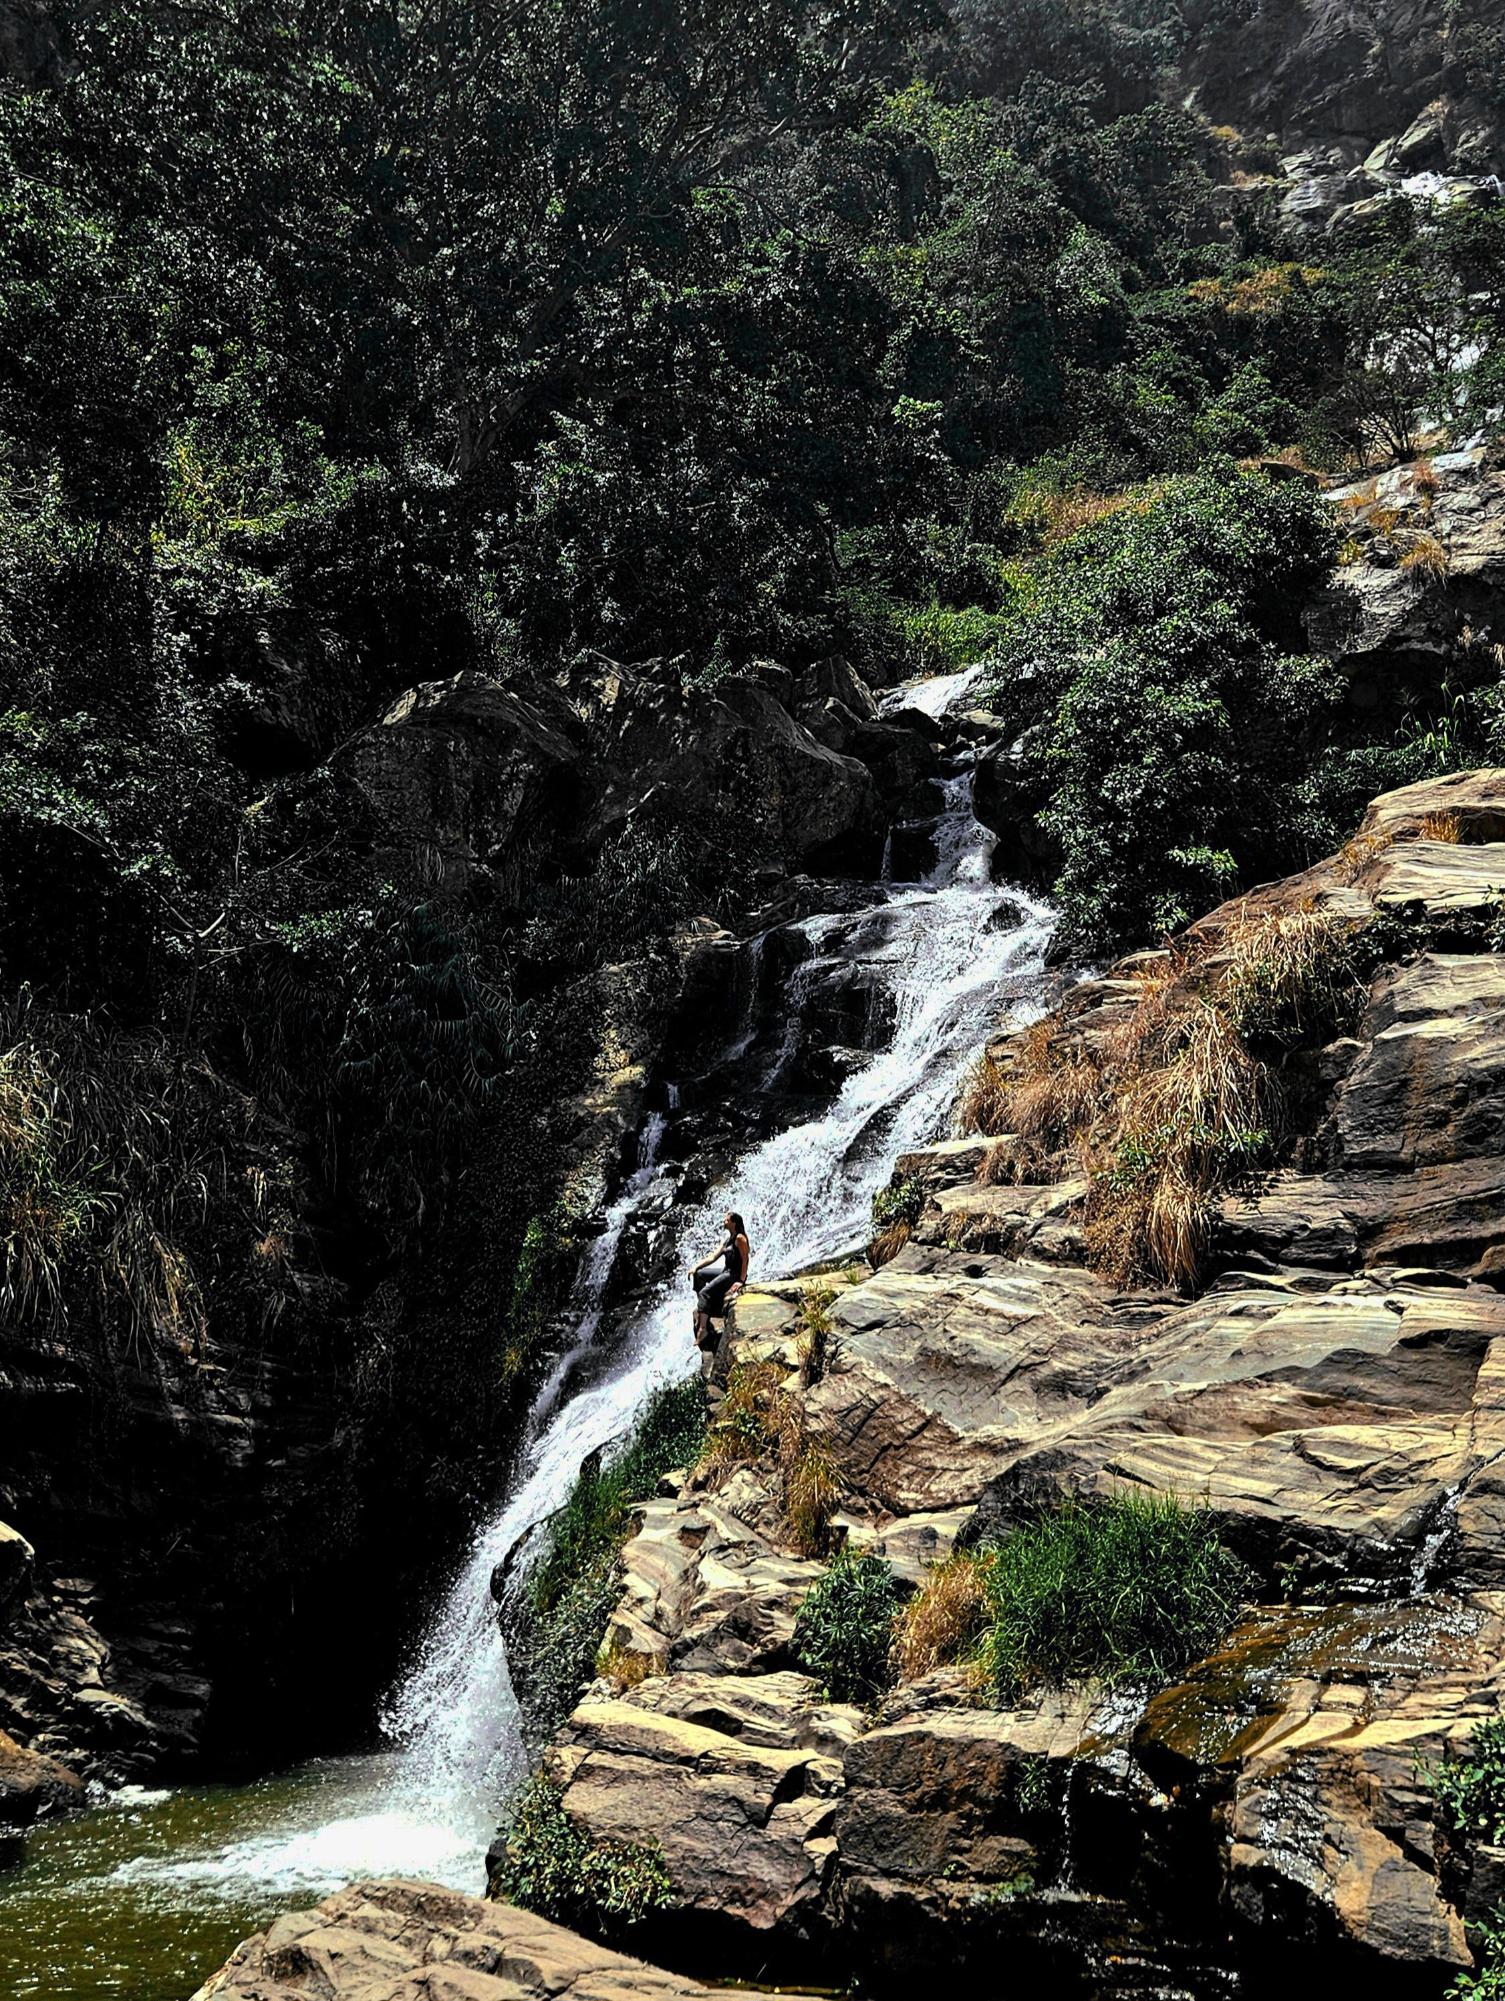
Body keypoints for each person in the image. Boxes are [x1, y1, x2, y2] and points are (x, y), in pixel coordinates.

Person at [689, 1211, 750, 1350]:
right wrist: (696, 1267)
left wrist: (741, 1280)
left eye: (726, 1220)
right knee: (699, 1275)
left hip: (733, 1275)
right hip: (725, 1271)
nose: (724, 1222)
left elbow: (745, 1260)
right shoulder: (728, 1240)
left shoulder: (740, 1239)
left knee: (705, 1292)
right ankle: (704, 1306)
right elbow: (712, 1258)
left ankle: (702, 1329)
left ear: (734, 1222)